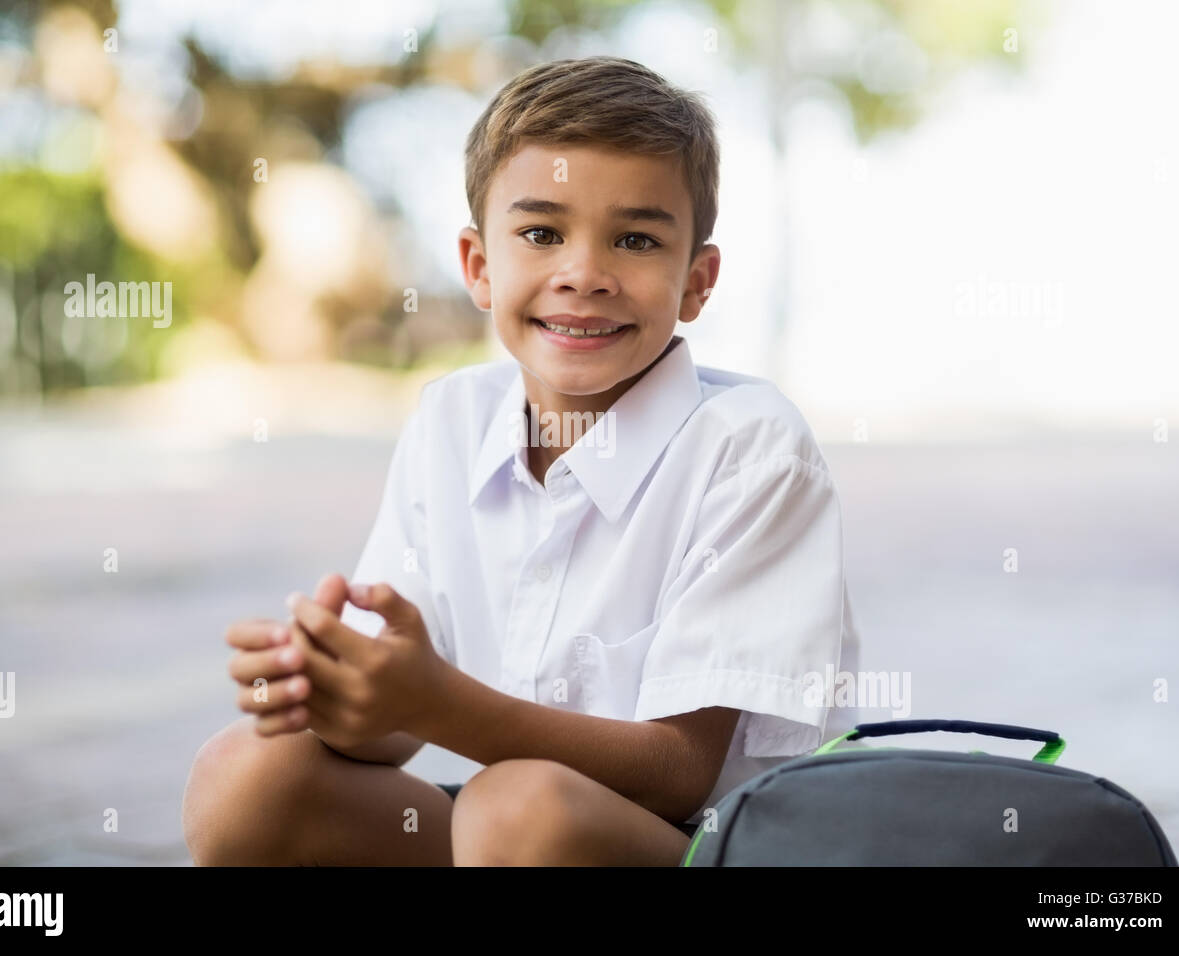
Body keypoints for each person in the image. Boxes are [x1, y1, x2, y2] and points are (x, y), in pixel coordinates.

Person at [182, 55, 860, 867]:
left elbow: (681, 772)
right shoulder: (450, 420)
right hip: (509, 838)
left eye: (636, 239)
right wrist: (338, 691)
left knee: (517, 807)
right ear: (477, 265)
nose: (584, 274)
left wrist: (438, 703)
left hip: (700, 847)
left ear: (696, 282)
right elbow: (396, 725)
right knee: (244, 776)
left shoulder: (750, 447)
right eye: (542, 233)